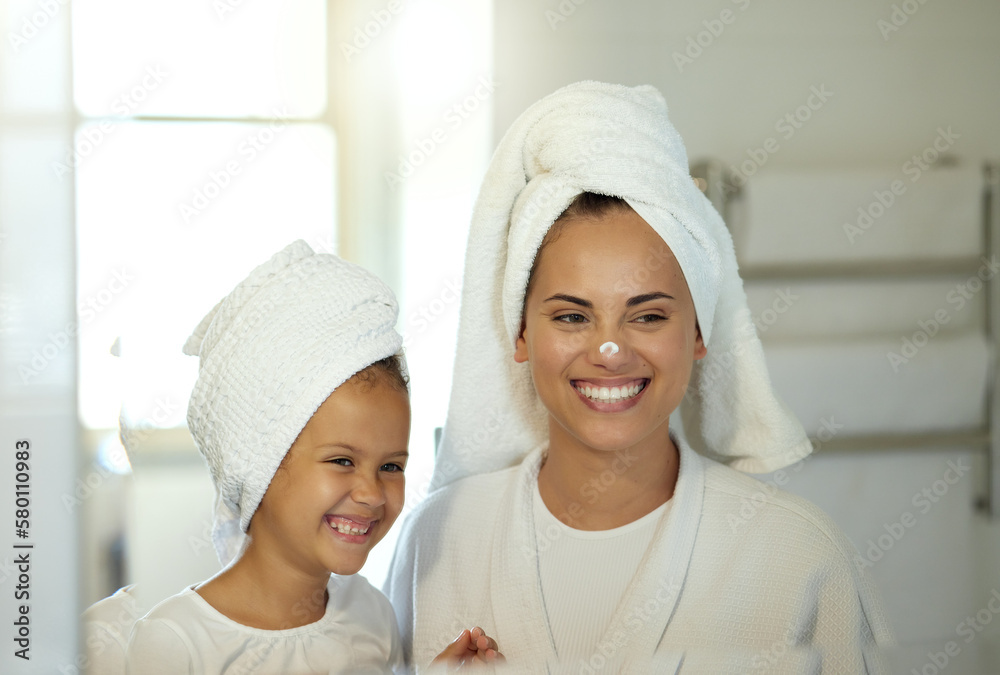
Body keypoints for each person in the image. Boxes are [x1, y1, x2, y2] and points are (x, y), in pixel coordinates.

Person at [385, 82, 892, 672]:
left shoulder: (796, 557)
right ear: (520, 334)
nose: (609, 350)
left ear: (699, 333)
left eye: (647, 315)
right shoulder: (440, 541)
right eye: (572, 315)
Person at [124, 241, 501, 674]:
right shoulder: (175, 643)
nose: (372, 493)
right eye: (342, 461)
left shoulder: (372, 616)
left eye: (391, 466)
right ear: (259, 465)